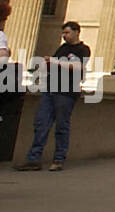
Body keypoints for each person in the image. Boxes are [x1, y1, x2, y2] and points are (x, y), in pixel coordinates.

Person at [14, 21, 90, 172]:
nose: (64, 36)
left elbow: (79, 67)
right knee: (41, 123)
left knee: (62, 126)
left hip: (66, 92)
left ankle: (58, 159)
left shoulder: (83, 49)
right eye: (63, 33)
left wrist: (56, 62)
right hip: (50, 89)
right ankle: (33, 158)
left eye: (67, 33)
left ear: (76, 32)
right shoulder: (62, 48)